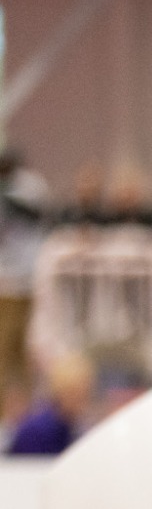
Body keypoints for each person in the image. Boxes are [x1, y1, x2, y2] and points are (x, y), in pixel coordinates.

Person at [0, 150, 51, 422]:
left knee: (27, 351)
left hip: (30, 282)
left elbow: (37, 216)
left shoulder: (29, 186)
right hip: (3, 284)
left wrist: (6, 193)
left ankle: (29, 415)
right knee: (2, 351)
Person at [5, 351, 93, 456]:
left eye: (85, 392)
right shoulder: (37, 431)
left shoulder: (72, 428)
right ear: (60, 391)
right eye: (74, 392)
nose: (81, 399)